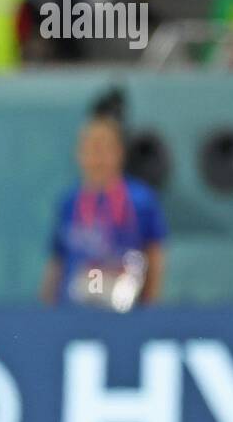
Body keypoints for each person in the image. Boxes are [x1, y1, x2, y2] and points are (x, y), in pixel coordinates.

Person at [40, 115, 167, 309]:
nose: (97, 157)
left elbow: (155, 256)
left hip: (125, 309)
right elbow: (57, 261)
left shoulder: (141, 200)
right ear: (79, 154)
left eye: (104, 148)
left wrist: (149, 310)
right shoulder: (69, 202)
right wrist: (46, 308)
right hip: (74, 311)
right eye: (91, 148)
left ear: (119, 153)